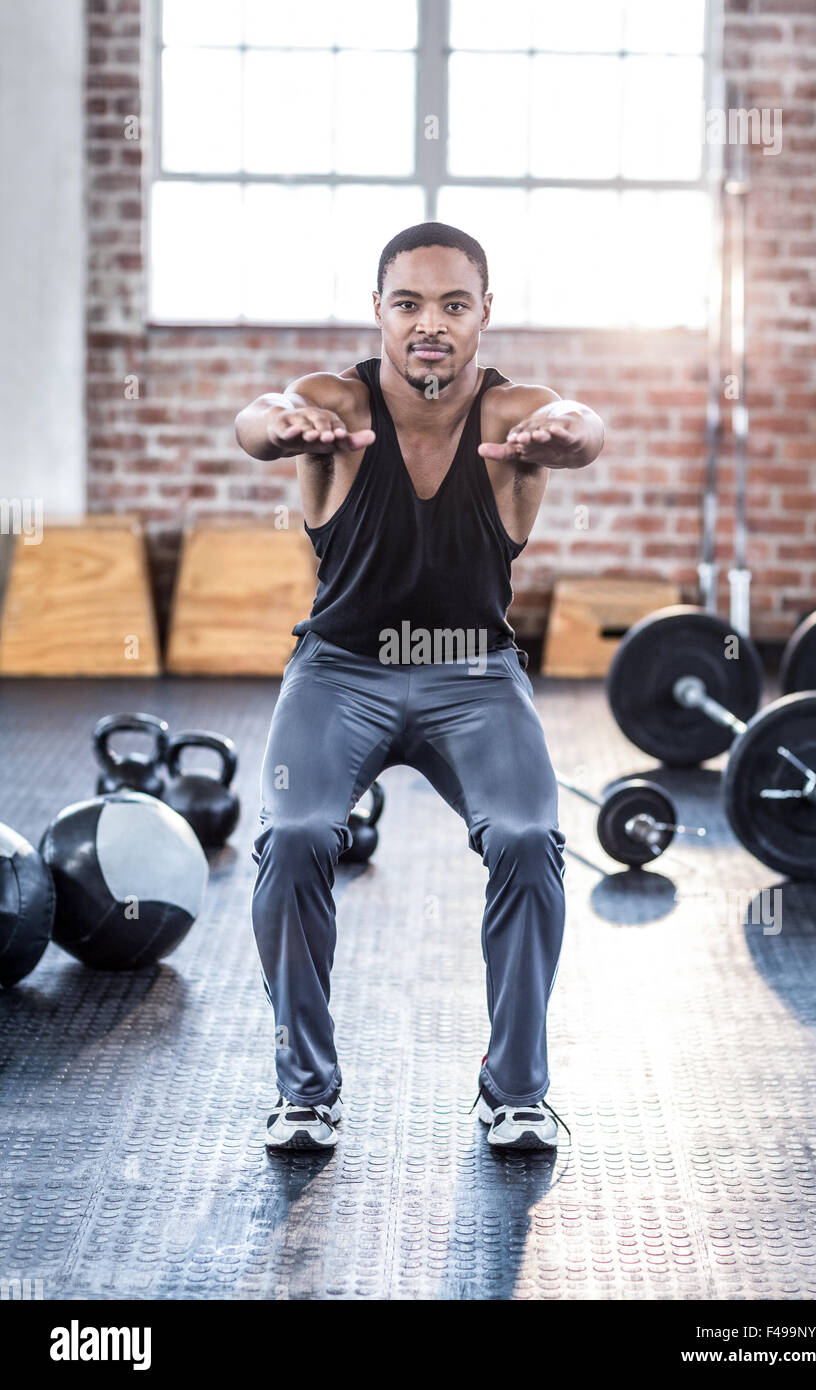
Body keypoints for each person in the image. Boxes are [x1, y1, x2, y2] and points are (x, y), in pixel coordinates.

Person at [235, 222, 604, 1151]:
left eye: (452, 304)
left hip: (474, 675)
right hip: (340, 670)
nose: (429, 324)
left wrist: (574, 433)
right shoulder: (332, 403)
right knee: (293, 836)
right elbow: (259, 418)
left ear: (486, 314)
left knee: (527, 838)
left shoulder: (512, 417)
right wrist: (278, 426)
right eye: (408, 303)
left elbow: (582, 427)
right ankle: (305, 1091)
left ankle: (513, 1090)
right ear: (379, 312)